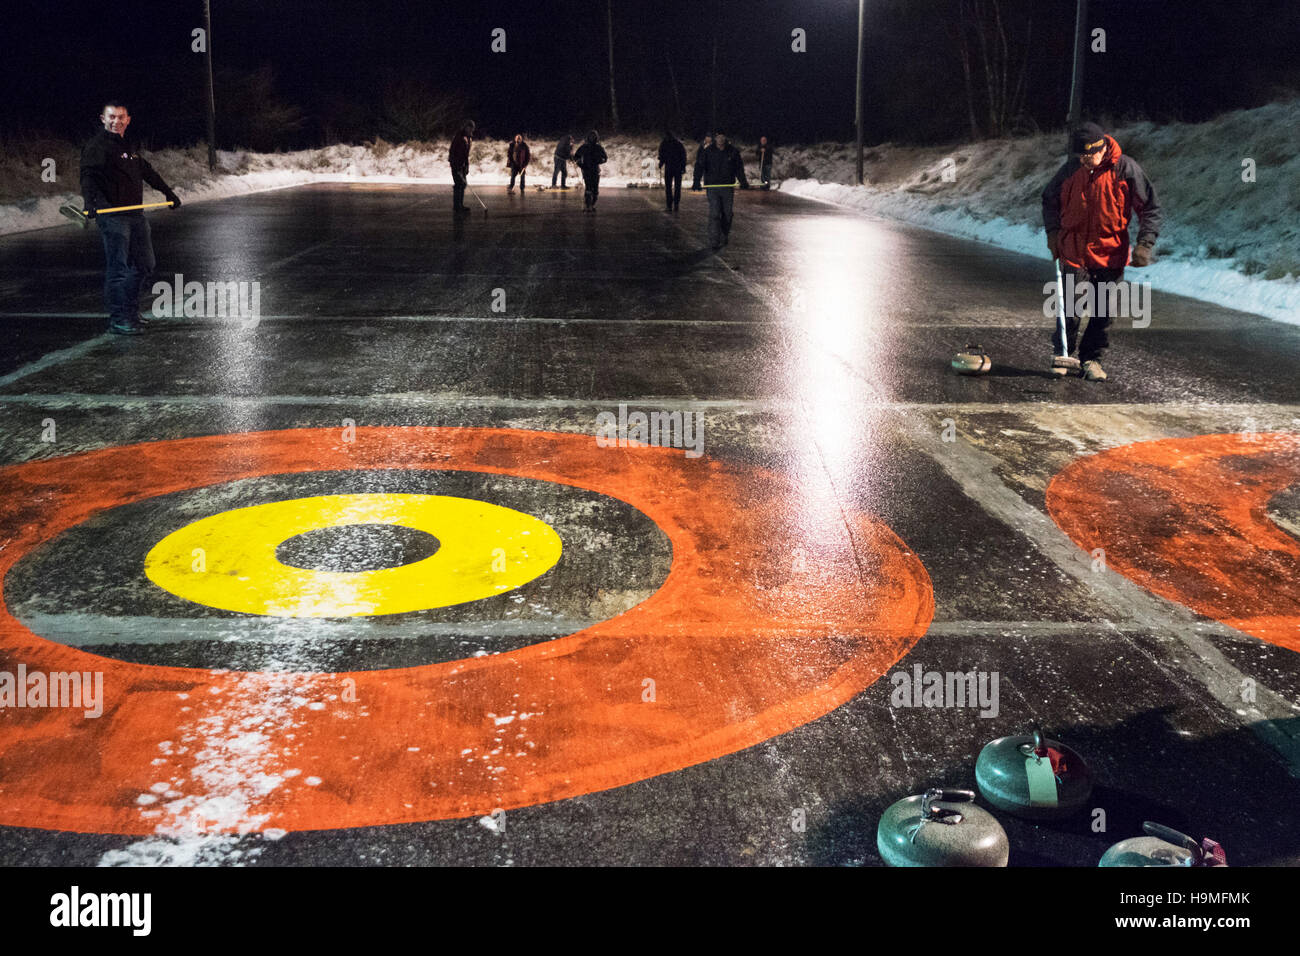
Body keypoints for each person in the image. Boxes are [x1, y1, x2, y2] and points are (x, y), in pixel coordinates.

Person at [1042, 121, 1162, 382]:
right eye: (1081, 156)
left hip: (1110, 252)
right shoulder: (1071, 169)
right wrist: (1052, 232)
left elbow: (1150, 208)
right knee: (1070, 308)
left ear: (1102, 147)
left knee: (1103, 310)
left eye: (1090, 155)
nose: (1086, 161)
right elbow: (1049, 199)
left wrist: (1145, 243)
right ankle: (1062, 354)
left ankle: (1092, 360)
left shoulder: (1126, 169)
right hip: (1073, 249)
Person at [79, 101, 180, 336]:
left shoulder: (129, 146)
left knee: (145, 265)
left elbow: (147, 171)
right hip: (113, 216)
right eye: (111, 117)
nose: (116, 121)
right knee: (119, 270)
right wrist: (89, 203)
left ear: (128, 120)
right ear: (103, 119)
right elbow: (88, 177)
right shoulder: (96, 146)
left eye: (121, 117)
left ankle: (131, 312)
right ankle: (119, 319)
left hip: (135, 215)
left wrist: (168, 192)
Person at [696, 132, 749, 250]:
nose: (720, 139)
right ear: (715, 138)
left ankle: (724, 233)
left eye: (722, 136)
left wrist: (743, 181)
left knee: (727, 214)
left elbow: (739, 168)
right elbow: (700, 166)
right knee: (714, 213)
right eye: (718, 136)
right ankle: (714, 239)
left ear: (725, 138)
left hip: (727, 187)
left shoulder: (733, 151)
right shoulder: (708, 151)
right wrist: (696, 181)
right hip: (713, 187)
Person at [573, 130, 607, 212]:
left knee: (595, 190)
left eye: (594, 136)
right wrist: (580, 164)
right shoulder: (584, 147)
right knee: (588, 189)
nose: (592, 138)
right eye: (591, 136)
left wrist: (599, 161)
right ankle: (587, 205)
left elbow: (605, 158)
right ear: (588, 137)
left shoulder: (599, 147)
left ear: (596, 138)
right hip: (586, 170)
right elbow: (576, 157)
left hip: (595, 170)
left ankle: (592, 204)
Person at [450, 119, 475, 214]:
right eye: (469, 127)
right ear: (466, 127)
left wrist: (466, 166)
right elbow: (452, 151)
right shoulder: (459, 136)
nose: (470, 129)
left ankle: (460, 205)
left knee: (463, 184)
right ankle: (457, 207)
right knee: (459, 185)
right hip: (456, 164)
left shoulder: (469, 138)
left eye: (472, 128)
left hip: (463, 165)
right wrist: (455, 165)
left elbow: (466, 154)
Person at [658, 130, 687, 212]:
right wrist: (683, 167)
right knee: (677, 187)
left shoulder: (664, 143)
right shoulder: (679, 144)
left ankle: (669, 205)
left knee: (668, 187)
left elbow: (661, 155)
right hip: (677, 168)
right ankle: (676, 204)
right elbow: (683, 156)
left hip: (669, 168)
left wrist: (661, 163)